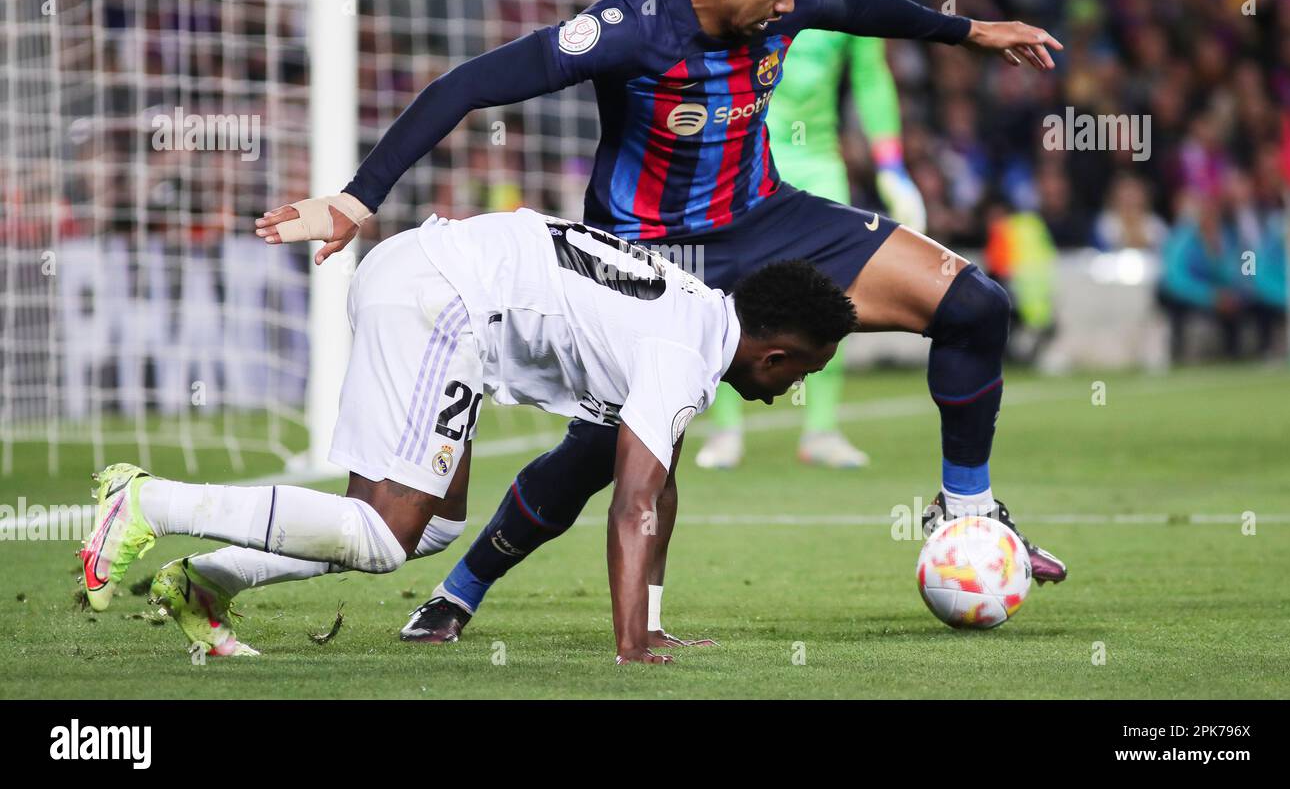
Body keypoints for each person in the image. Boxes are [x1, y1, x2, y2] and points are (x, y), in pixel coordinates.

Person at [256, 0, 1068, 647]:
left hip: (763, 216)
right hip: (647, 255)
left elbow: (853, 6)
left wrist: (971, 31)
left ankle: (967, 513)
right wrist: (360, 198)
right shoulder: (634, 24)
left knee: (974, 305)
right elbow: (468, 84)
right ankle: (462, 588)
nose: (795, 7)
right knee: (612, 454)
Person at [79, 207, 857, 663]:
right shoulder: (686, 353)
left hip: (435, 288)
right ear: (776, 353)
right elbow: (634, 505)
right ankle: (150, 501)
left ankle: (207, 583)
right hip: (443, 302)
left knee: (426, 531)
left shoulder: (694, 315)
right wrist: (633, 646)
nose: (797, 387)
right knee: (383, 534)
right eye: (805, 372)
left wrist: (652, 620)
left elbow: (659, 488)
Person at [697, 0, 925, 471]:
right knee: (724, 290)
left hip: (816, 158)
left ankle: (820, 428)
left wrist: (891, 165)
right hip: (740, 156)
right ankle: (725, 428)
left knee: (836, 294)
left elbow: (873, 85)